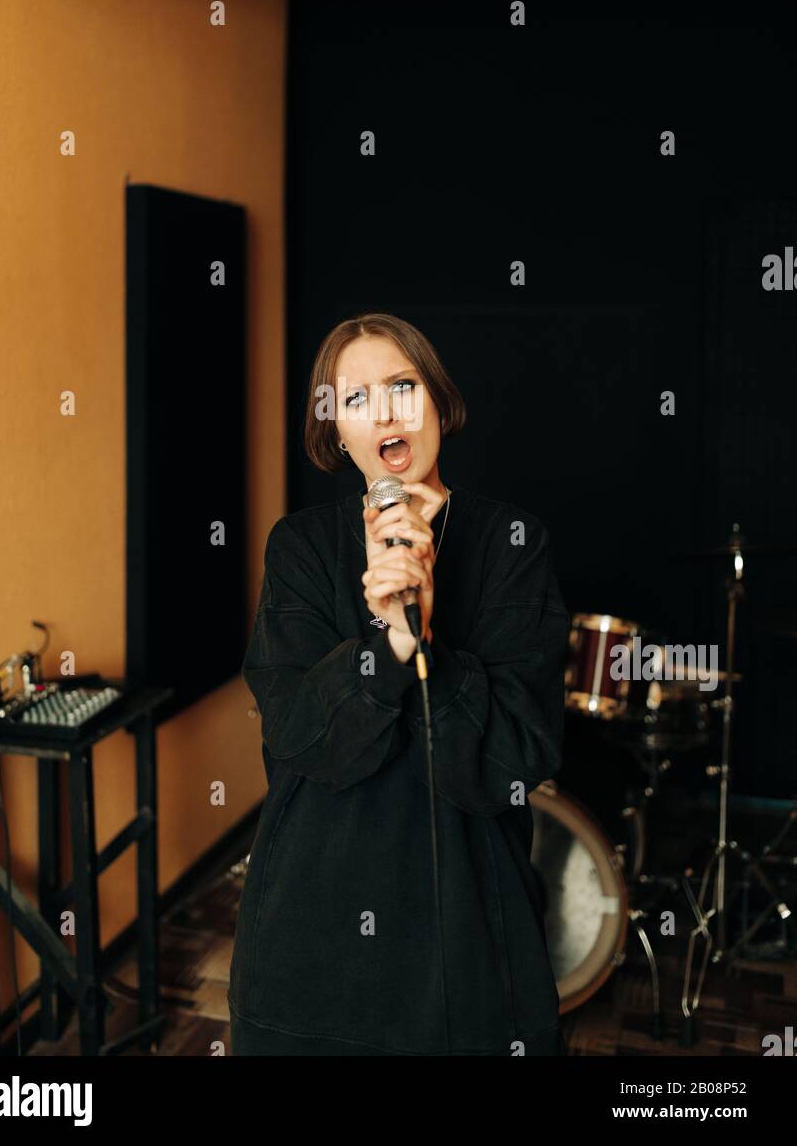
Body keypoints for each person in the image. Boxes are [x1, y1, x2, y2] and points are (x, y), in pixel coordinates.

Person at [228, 312, 570, 1055]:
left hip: (470, 945)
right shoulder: (301, 548)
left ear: (438, 403)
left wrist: (433, 648)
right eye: (354, 400)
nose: (383, 411)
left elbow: (518, 758)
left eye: (403, 386)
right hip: (312, 938)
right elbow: (302, 742)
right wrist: (390, 646)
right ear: (337, 436)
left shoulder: (515, 544)